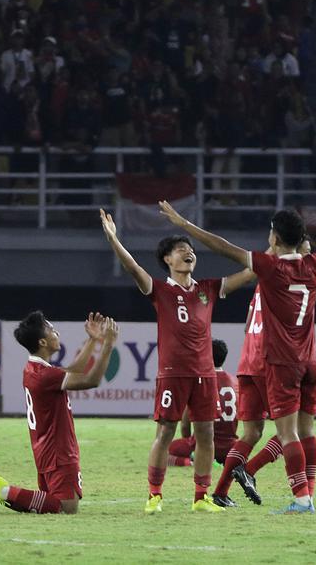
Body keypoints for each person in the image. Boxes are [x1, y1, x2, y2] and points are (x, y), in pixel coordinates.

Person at [157, 202, 316, 513]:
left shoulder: (271, 268)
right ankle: (294, 491)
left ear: (274, 239)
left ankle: (301, 498)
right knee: (302, 430)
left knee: (286, 433)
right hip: (308, 358)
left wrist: (186, 225)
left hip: (280, 361)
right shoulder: (315, 265)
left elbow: (224, 247)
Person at [98, 209, 255, 513]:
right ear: (168, 260)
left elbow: (249, 273)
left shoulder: (208, 288)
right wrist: (114, 238)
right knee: (166, 432)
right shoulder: (159, 290)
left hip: (205, 374)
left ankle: (201, 498)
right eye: (182, 250)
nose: (189, 253)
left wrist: (273, 257)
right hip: (172, 373)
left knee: (205, 434)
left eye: (191, 250)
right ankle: (154, 495)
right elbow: (131, 267)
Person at [0, 311, 118, 515]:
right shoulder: (46, 375)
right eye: (52, 330)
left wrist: (92, 339)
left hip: (44, 449)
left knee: (52, 503)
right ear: (43, 342)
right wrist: (107, 345)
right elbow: (91, 380)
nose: (57, 332)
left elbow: (74, 369)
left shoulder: (34, 369)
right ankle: (3, 490)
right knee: (66, 508)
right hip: (59, 451)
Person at [211, 237, 313, 507]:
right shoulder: (286, 284)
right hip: (270, 361)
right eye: (305, 251)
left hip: (248, 360)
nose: (306, 257)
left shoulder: (263, 285)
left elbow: (247, 327)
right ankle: (252, 470)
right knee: (290, 429)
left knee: (251, 433)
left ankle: (221, 492)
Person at [164, 340, 238, 472]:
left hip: (204, 444)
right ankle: (225, 461)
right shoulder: (235, 382)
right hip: (230, 447)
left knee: (162, 450)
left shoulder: (201, 380)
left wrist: (188, 443)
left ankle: (192, 461)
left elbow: (185, 424)